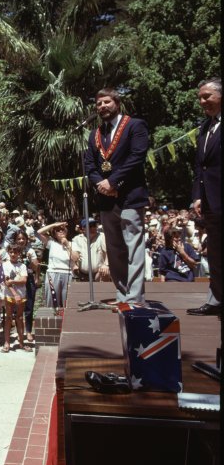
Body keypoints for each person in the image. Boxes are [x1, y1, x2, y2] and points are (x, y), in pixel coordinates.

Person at [84, 87, 150, 305]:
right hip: (106, 199)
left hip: (130, 196)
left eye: (106, 102)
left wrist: (114, 181)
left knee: (134, 248)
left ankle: (135, 297)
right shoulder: (95, 134)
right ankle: (122, 294)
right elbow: (90, 165)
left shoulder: (135, 125)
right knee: (114, 250)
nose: (102, 107)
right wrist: (100, 184)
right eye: (99, 104)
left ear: (117, 103)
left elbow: (137, 157)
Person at [188, 77, 221, 316]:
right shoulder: (204, 127)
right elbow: (200, 166)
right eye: (200, 97)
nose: (202, 101)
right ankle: (216, 300)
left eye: (207, 96)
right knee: (217, 253)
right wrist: (197, 196)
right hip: (211, 203)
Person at [36, 222, 78, 311]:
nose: (60, 231)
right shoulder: (51, 242)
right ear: (54, 233)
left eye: (62, 229)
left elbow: (75, 258)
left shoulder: (72, 243)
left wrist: (67, 245)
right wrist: (54, 225)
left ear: (66, 231)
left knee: (67, 301)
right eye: (57, 230)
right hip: (53, 273)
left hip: (67, 273)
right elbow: (39, 232)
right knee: (52, 301)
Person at [1, 244, 30, 353]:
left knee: (19, 318)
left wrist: (13, 281)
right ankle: (7, 342)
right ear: (8, 252)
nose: (13, 254)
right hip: (10, 295)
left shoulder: (22, 266)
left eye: (16, 252)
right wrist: (14, 294)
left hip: (21, 295)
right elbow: (6, 282)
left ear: (19, 253)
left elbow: (24, 280)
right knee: (8, 318)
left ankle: (21, 342)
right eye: (11, 252)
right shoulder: (5, 265)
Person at [71, 218, 111, 282]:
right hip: (81, 274)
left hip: (99, 273)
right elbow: (73, 256)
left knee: (105, 273)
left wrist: (106, 264)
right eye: (90, 226)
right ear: (83, 229)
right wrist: (73, 264)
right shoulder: (76, 239)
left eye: (94, 225)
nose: (93, 228)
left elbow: (108, 251)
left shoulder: (102, 236)